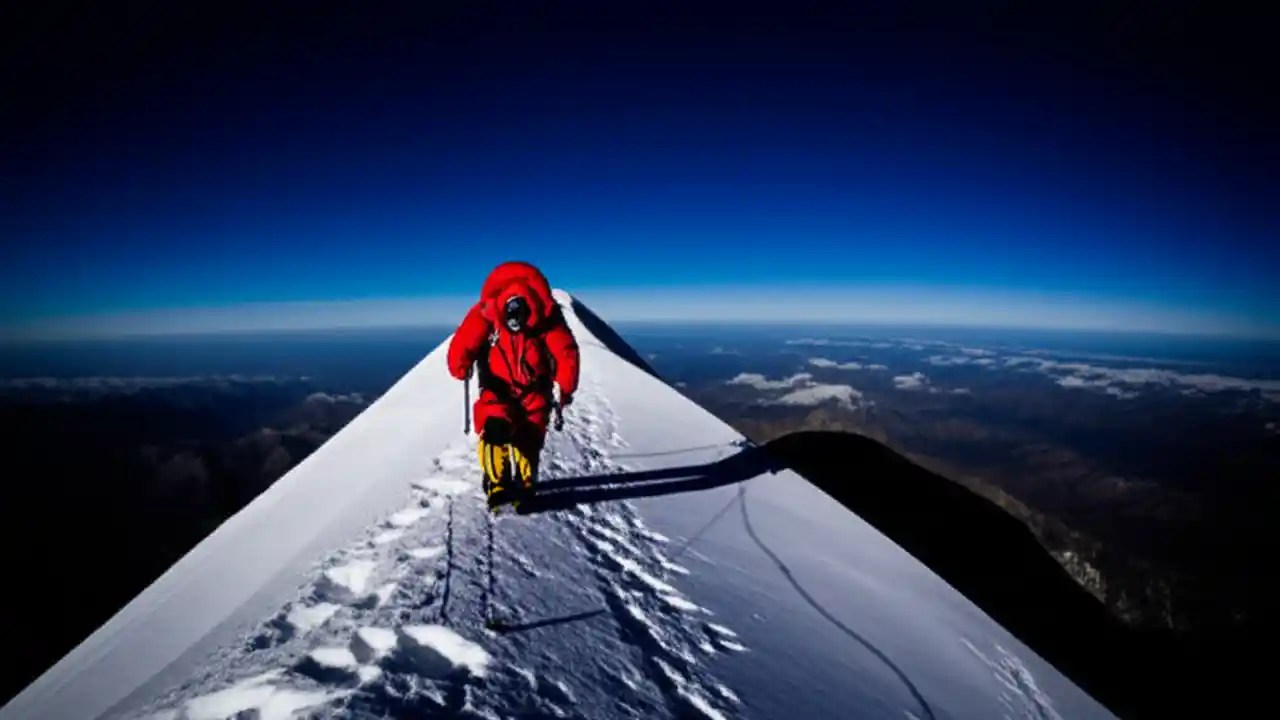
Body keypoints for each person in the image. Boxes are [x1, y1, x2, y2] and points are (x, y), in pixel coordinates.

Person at [447, 261, 580, 503]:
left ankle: (511, 483)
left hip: (524, 389)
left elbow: (565, 350)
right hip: (505, 388)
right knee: (503, 429)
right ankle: (510, 482)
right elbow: (566, 350)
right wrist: (566, 385)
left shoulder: (543, 314)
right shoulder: (490, 313)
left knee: (523, 435)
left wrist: (460, 366)